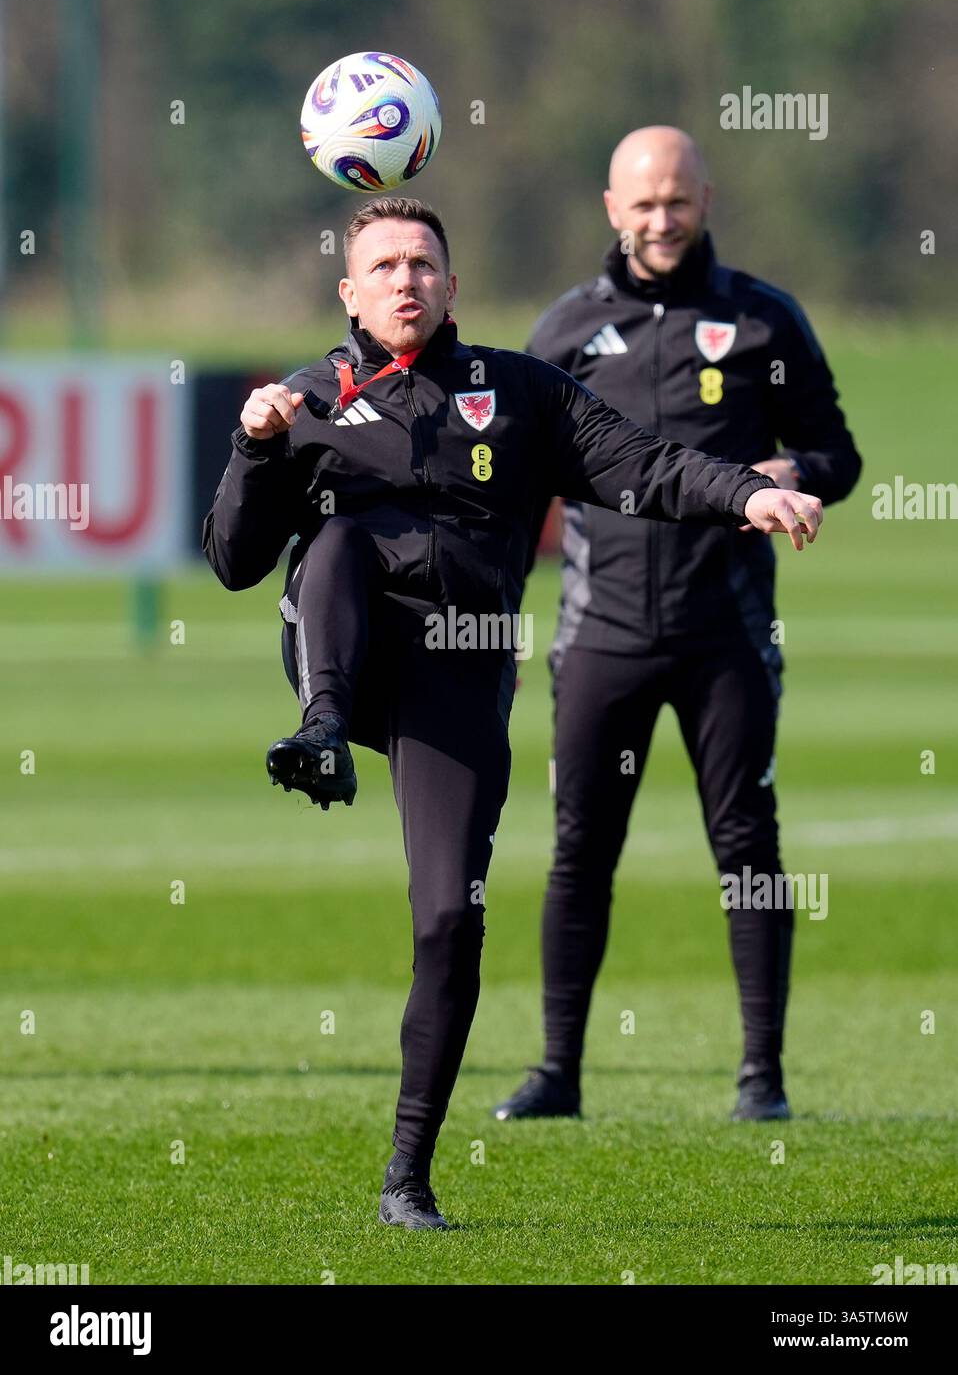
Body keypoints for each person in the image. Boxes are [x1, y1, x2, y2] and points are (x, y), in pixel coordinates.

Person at [202, 194, 825, 1229]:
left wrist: (744, 493)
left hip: (458, 674)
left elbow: (647, 465)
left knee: (449, 919)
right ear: (349, 292)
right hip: (340, 651)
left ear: (453, 284)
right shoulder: (308, 399)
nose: (406, 279)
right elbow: (231, 561)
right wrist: (256, 445)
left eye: (423, 263)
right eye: (385, 266)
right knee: (345, 544)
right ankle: (321, 731)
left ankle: (408, 1176)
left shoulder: (524, 392)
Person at [493, 128, 860, 1128]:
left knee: (747, 846)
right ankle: (558, 1071)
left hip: (724, 634)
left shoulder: (762, 320)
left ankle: (761, 1077)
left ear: (707, 199)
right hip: (597, 633)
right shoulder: (563, 333)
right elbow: (518, 491)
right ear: (610, 207)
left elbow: (836, 452)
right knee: (579, 852)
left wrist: (793, 475)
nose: (661, 221)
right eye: (642, 204)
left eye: (678, 202)